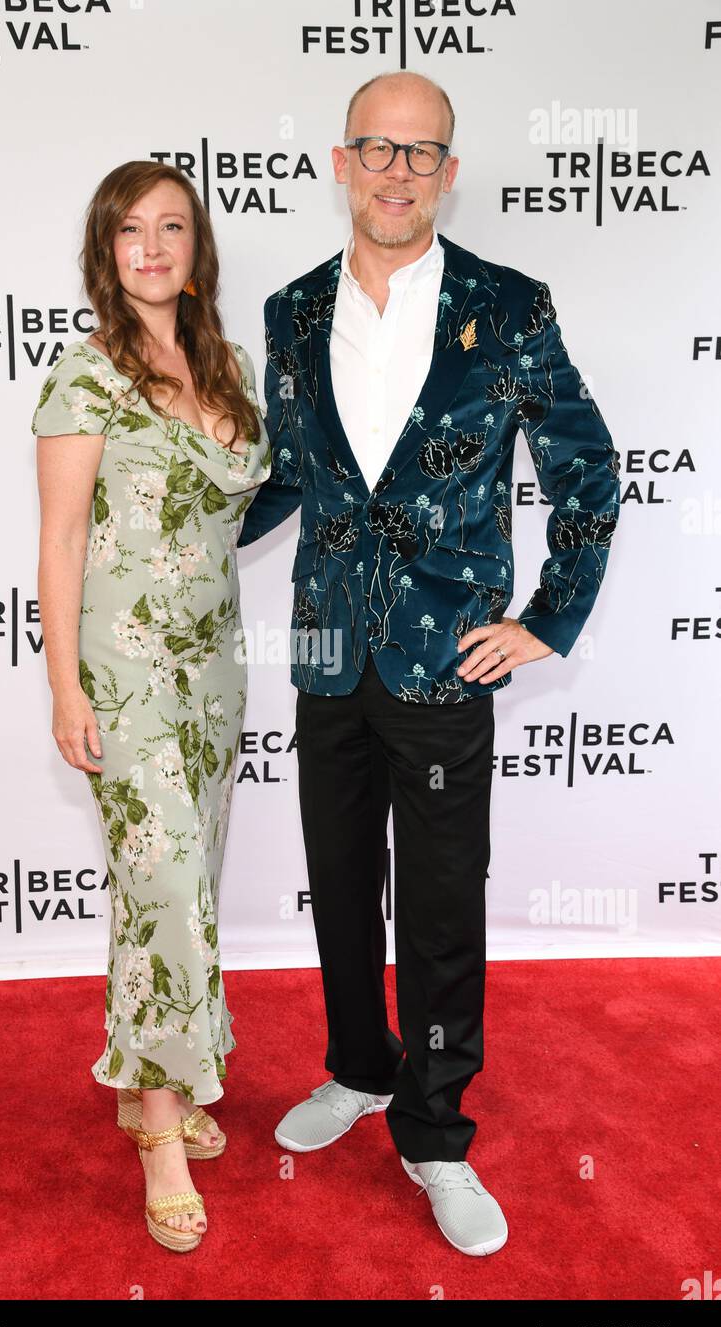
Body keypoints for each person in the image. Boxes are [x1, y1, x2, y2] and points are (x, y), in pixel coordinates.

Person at [238, 72, 620, 1257]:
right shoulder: (291, 309)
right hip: (318, 645)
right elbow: (295, 481)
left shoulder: (508, 307)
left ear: (448, 173)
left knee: (442, 905)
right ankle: (356, 1067)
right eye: (375, 149)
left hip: (444, 657)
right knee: (338, 878)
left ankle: (435, 1131)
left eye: (420, 154)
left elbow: (585, 475)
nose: (396, 173)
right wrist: (178, 532)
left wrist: (546, 621)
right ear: (339, 163)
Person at [31, 161, 271, 1253]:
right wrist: (63, 686)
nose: (153, 246)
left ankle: (143, 1077)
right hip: (123, 676)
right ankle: (162, 1134)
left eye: (172, 226)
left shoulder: (225, 364)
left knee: (173, 886)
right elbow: (64, 538)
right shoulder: (85, 377)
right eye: (131, 229)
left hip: (214, 671)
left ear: (195, 247)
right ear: (104, 248)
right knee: (164, 881)